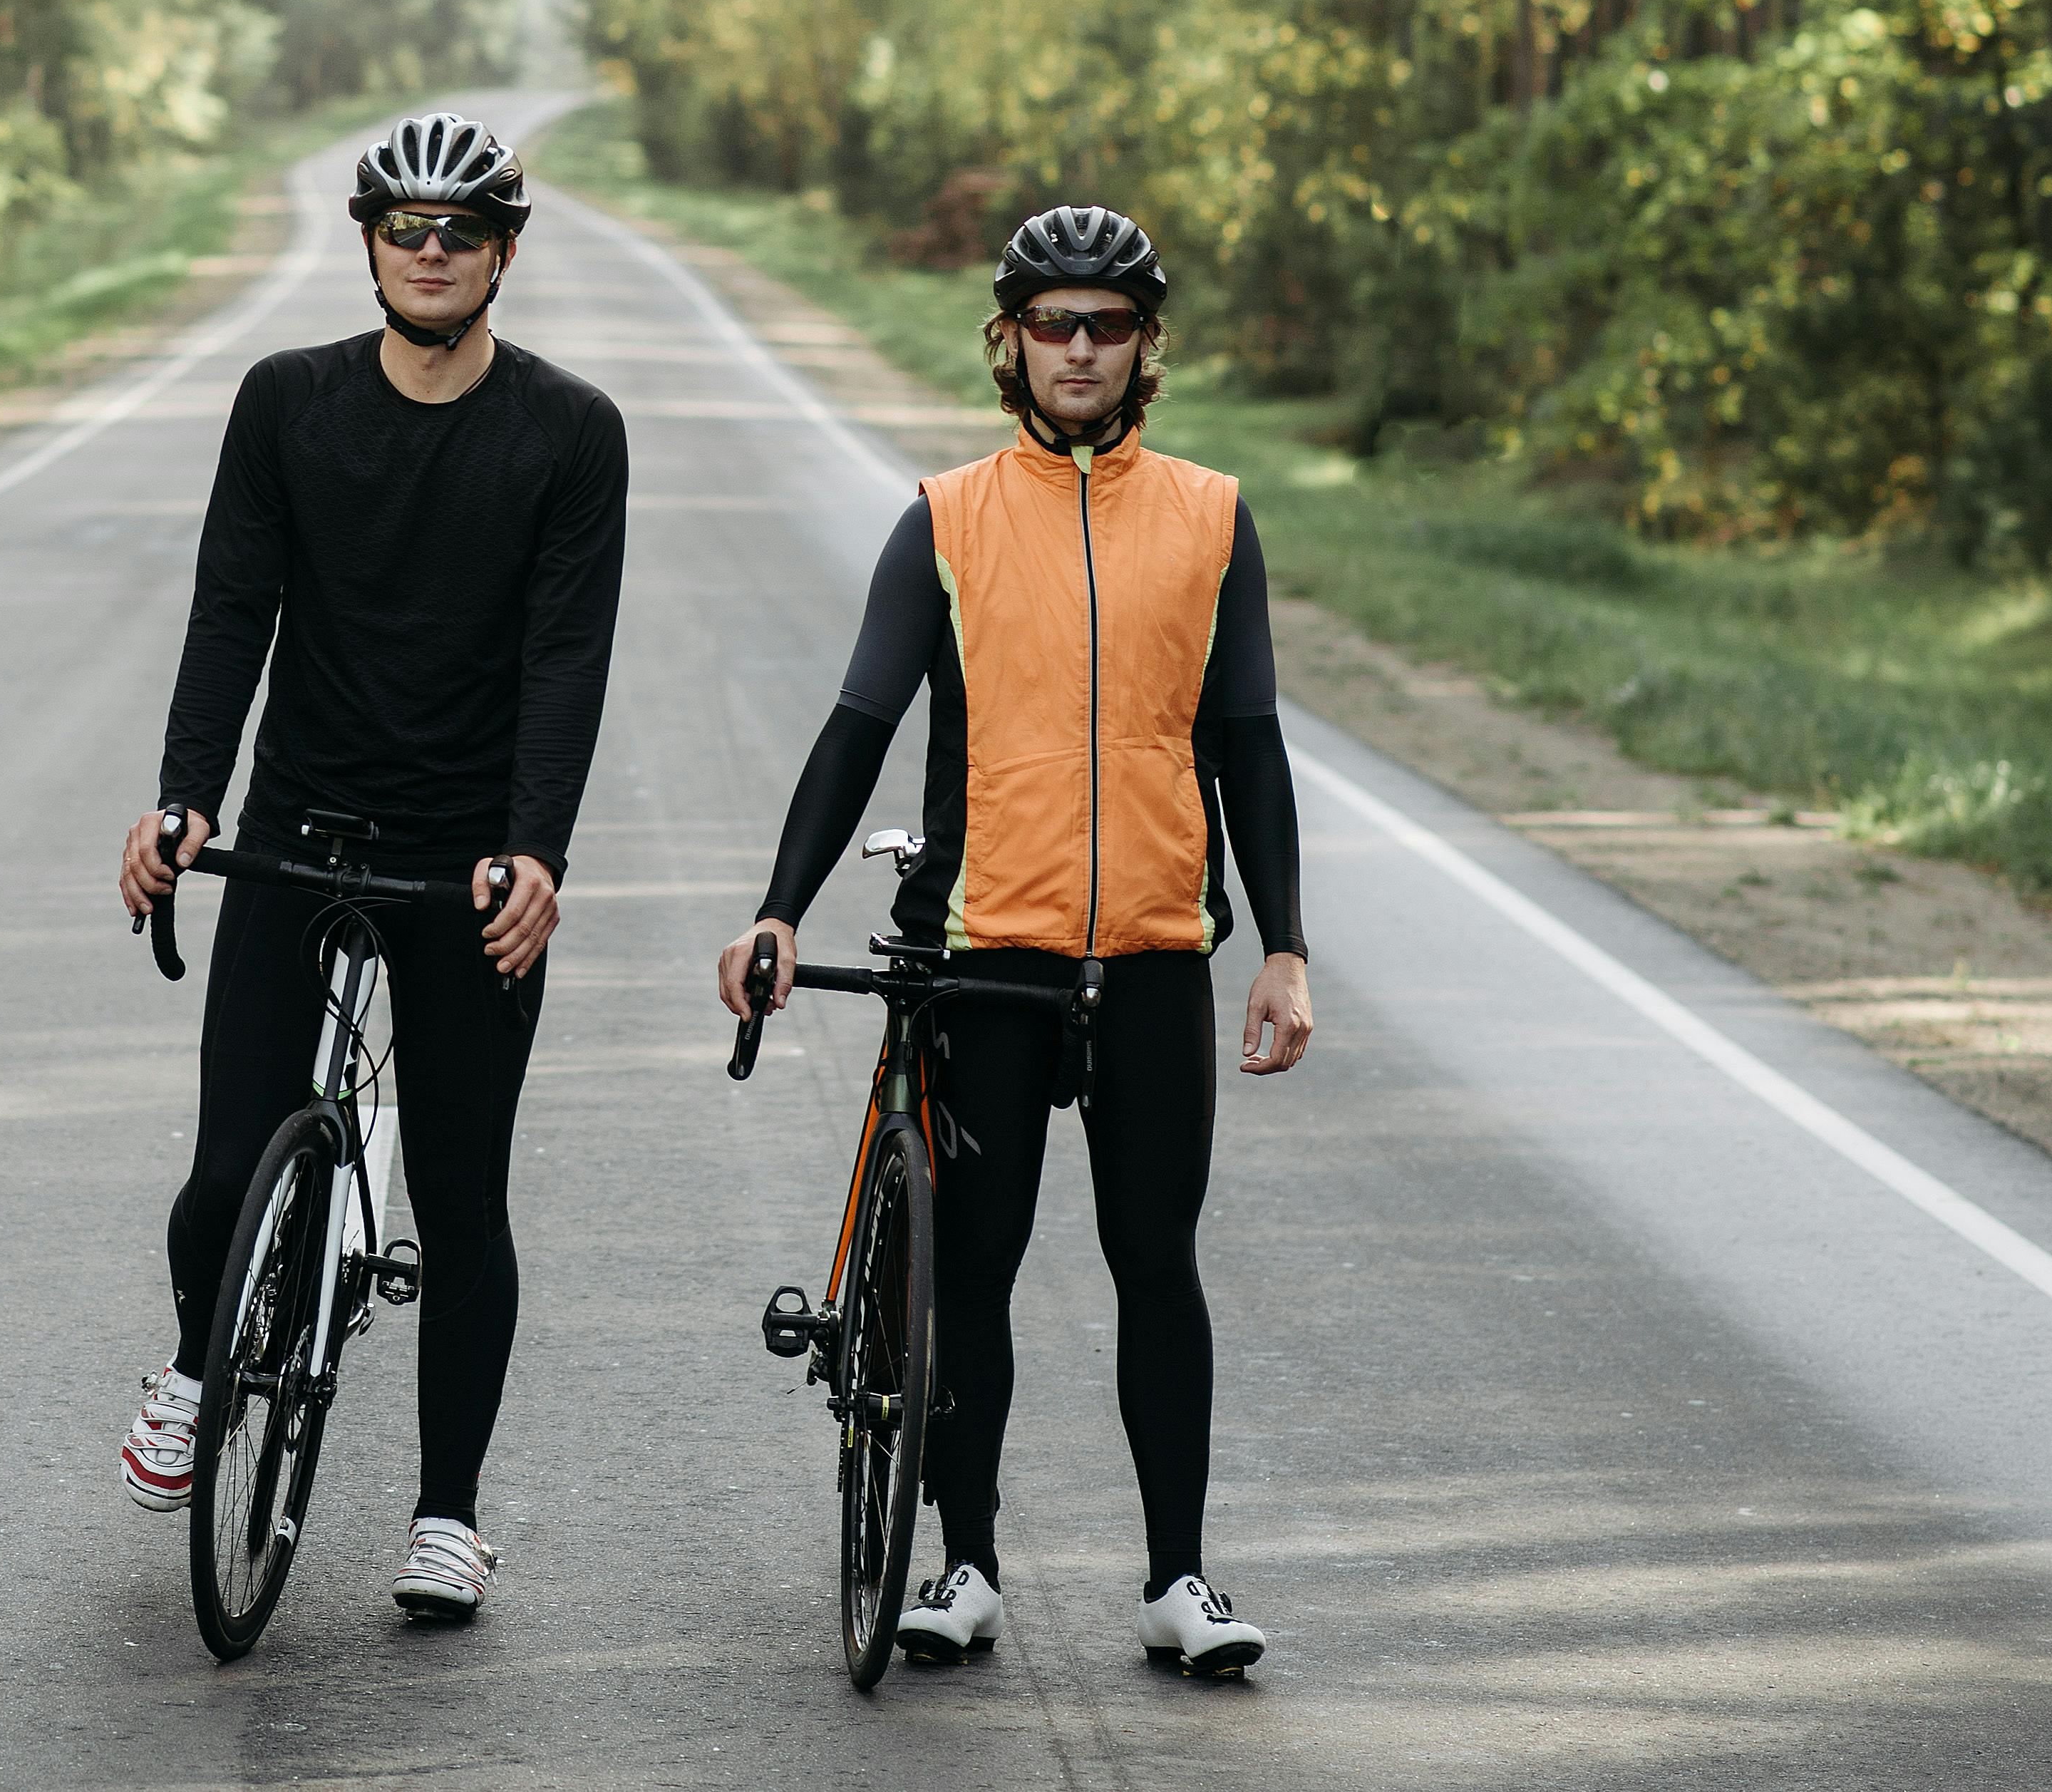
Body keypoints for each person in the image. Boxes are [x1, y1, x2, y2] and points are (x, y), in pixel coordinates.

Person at [714, 202, 1311, 1679]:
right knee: (968, 1271)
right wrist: (776, 902)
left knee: (1153, 1258)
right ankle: (961, 1560)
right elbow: (857, 724)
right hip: (987, 951)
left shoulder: (1211, 514)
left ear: (1144, 347)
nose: (1080, 347)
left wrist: (1283, 944)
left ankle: (1177, 1578)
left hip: (1156, 949)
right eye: (1053, 322)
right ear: (1009, 342)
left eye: (1107, 323)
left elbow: (1246, 742)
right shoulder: (948, 516)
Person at [114, 110, 630, 1624]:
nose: (428, 252)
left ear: (503, 253)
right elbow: (230, 611)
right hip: (294, 830)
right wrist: (181, 799)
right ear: (367, 245)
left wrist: (537, 847)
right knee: (222, 1180)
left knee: (463, 1197)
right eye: (402, 228)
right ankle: (201, 1364)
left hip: (463, 863)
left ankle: (447, 1511)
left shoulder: (568, 430)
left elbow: (565, 658)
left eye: (457, 231)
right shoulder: (287, 403)